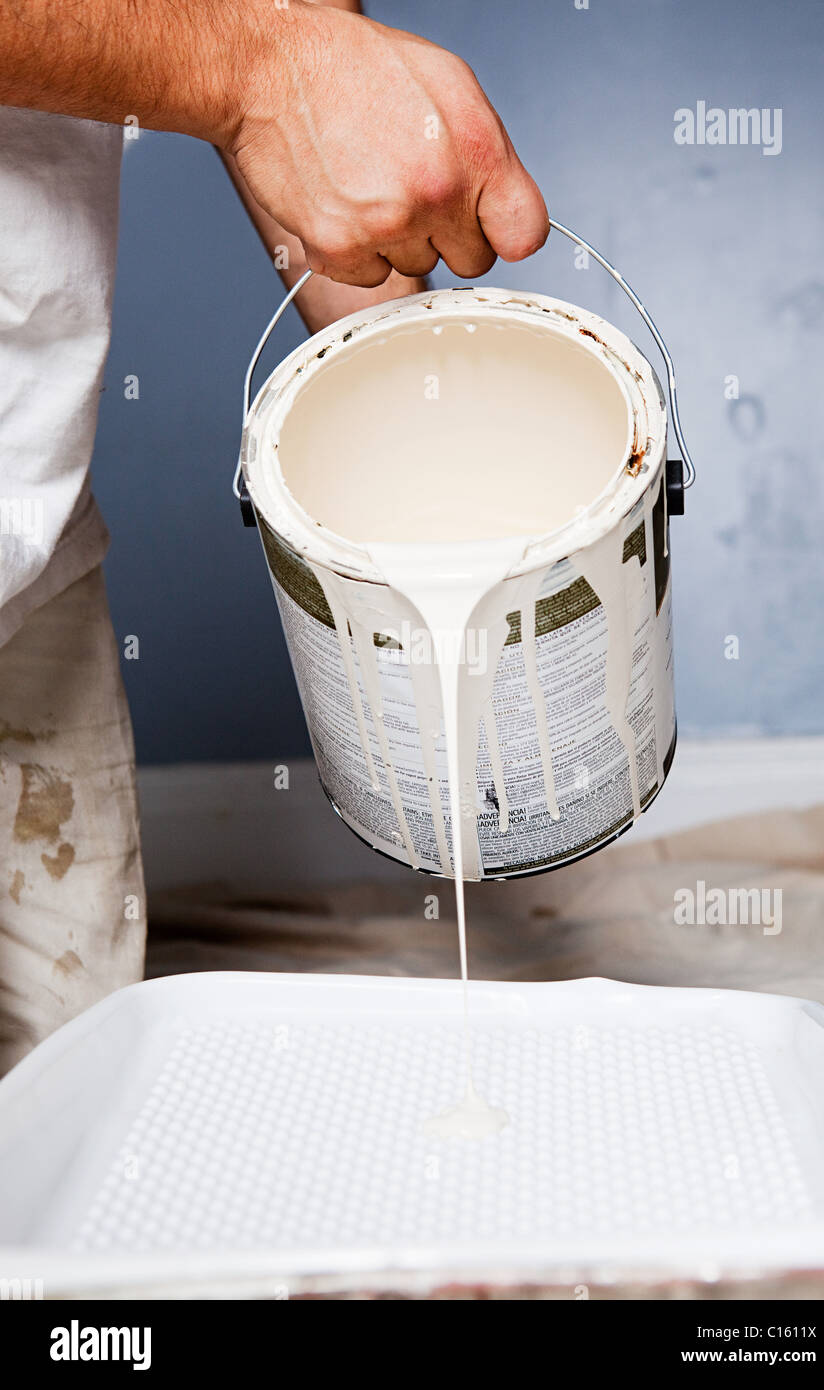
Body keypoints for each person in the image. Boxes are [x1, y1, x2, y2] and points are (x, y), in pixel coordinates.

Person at [0, 0, 548, 1072]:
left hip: (33, 487)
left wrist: (421, 422)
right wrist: (253, 67)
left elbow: (293, 34)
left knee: (70, 1097)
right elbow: (267, 50)